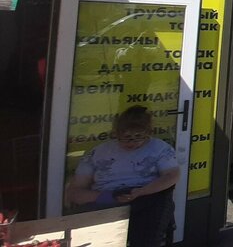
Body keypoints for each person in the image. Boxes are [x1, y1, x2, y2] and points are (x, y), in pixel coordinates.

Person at [67, 105, 179, 246]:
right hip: (105, 197)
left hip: (146, 194)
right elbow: (75, 190)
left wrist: (140, 192)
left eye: (138, 137)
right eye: (126, 137)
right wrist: (107, 197)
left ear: (148, 132)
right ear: (116, 133)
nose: (132, 142)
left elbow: (171, 176)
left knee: (152, 213)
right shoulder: (99, 152)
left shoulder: (159, 148)